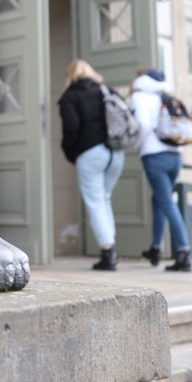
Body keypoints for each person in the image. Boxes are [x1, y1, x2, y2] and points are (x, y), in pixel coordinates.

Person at [57, 59, 125, 271]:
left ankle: (108, 252)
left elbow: (71, 128)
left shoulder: (70, 96)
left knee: (96, 202)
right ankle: (111, 247)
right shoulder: (106, 90)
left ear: (70, 75)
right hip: (116, 152)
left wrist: (71, 152)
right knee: (104, 198)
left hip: (91, 153)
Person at [130, 68, 192, 272]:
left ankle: (183, 252)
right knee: (158, 200)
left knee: (167, 203)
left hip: (155, 157)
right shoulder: (166, 96)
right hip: (175, 157)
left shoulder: (139, 97)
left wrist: (136, 145)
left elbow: (144, 126)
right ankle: (155, 248)